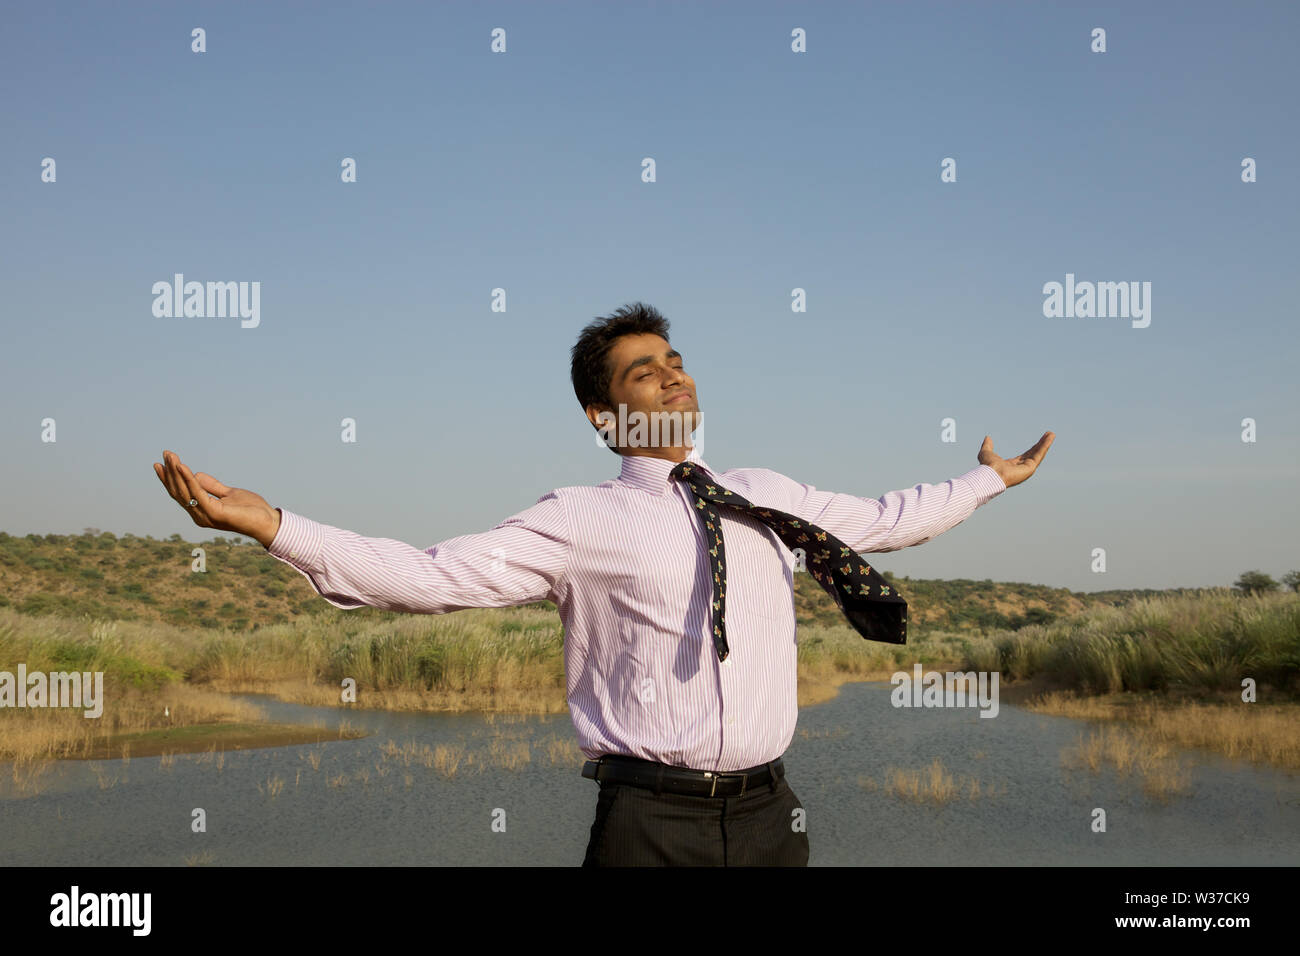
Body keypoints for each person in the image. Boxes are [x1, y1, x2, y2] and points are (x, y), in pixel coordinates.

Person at [153, 302, 1054, 866]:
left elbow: (890, 519)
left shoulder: (769, 498)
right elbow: (431, 578)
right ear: (603, 413)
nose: (671, 375)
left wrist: (987, 481)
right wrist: (276, 526)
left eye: (676, 361)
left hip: (777, 815)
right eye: (643, 371)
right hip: (648, 826)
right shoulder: (579, 518)